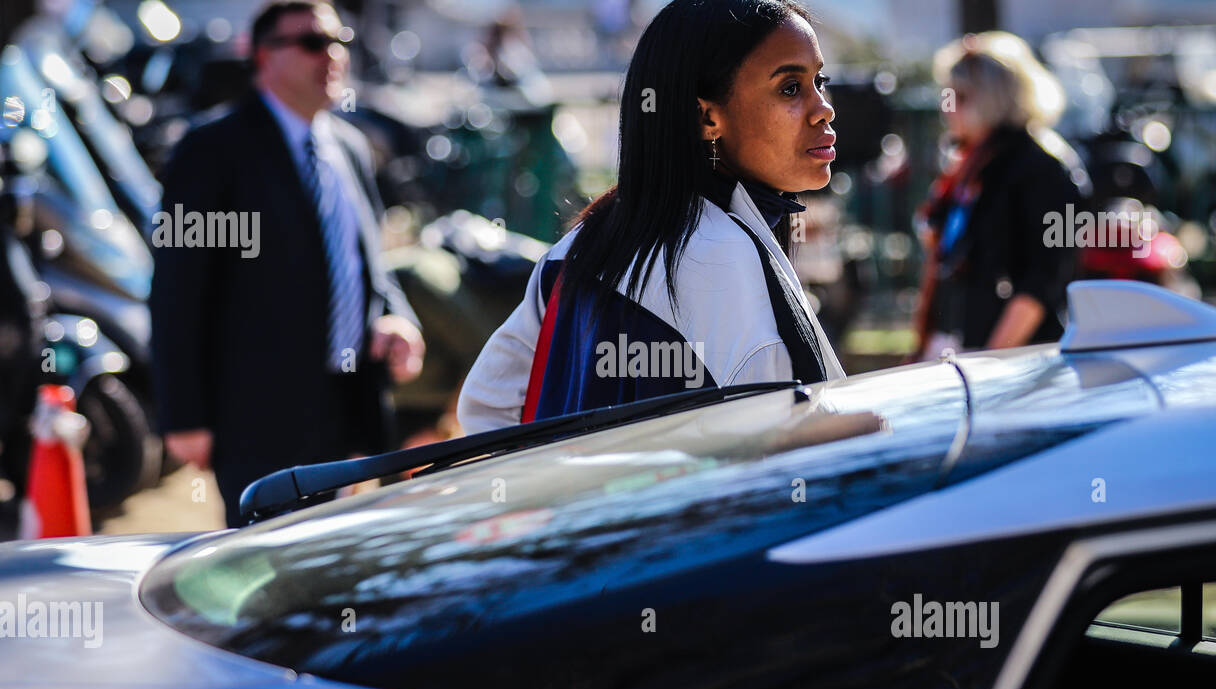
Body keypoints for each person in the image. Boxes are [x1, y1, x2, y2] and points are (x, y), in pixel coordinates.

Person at [457, 0, 845, 435]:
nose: (823, 108)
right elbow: (775, 444)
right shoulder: (721, 253)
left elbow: (485, 407)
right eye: (790, 87)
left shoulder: (585, 239)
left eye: (819, 81)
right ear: (707, 117)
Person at [150, 1, 424, 527]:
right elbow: (177, 290)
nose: (332, 56)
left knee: (342, 566)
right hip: (257, 418)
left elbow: (367, 264)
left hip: (348, 405)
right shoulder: (211, 149)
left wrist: (395, 317)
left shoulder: (348, 145)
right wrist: (184, 416)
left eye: (339, 40)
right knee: (269, 579)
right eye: (312, 43)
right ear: (262, 56)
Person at [910, 31, 1086, 361]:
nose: (946, 108)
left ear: (995, 98)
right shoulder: (971, 165)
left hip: (1017, 363)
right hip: (960, 349)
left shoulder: (1048, 168)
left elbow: (1043, 282)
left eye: (960, 97)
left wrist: (990, 363)